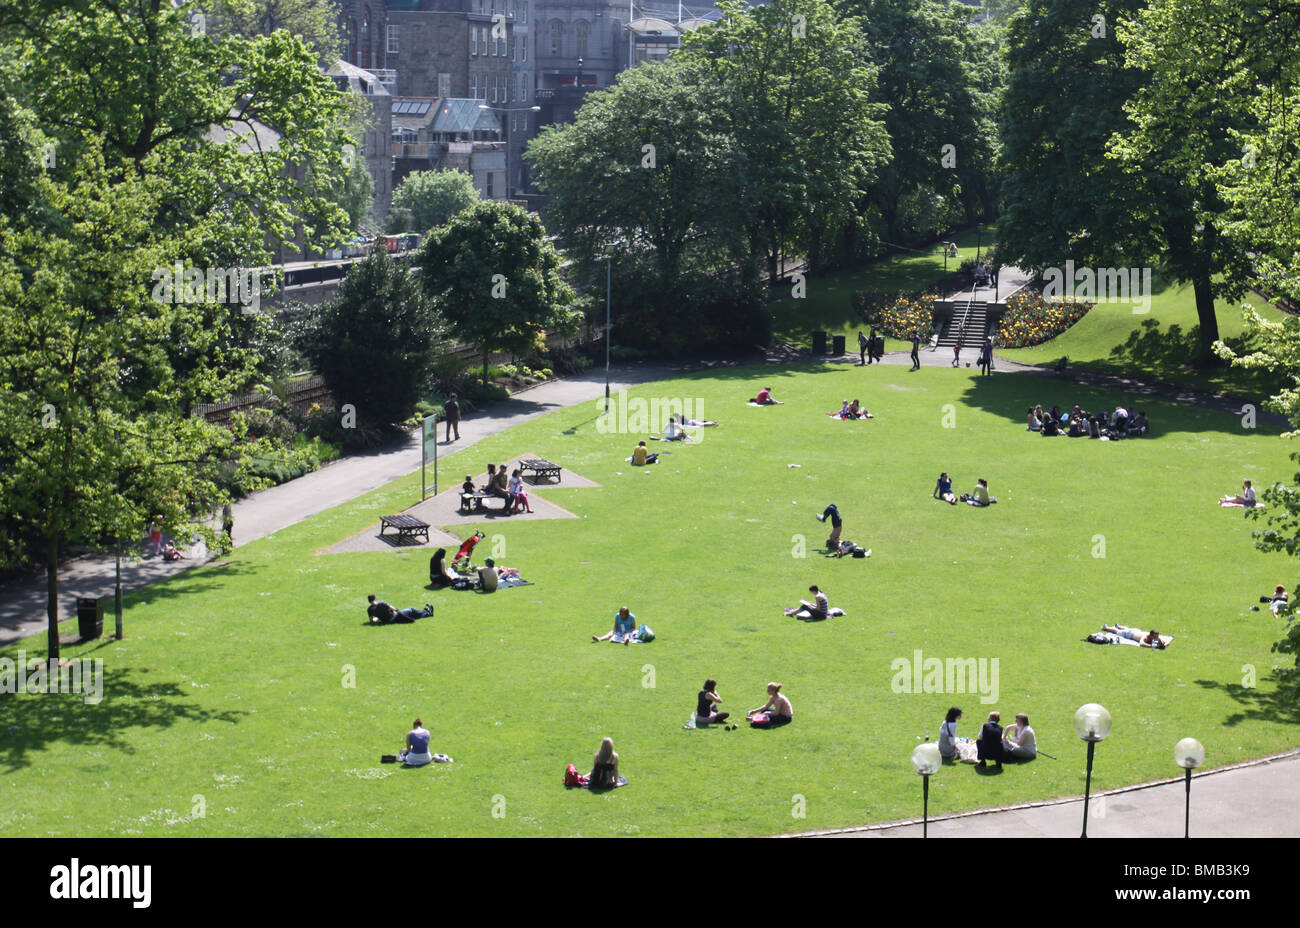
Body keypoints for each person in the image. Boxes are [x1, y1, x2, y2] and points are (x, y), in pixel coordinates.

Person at [366, 594, 433, 625]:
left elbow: (372, 621)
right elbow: (393, 608)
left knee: (411, 614)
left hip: (388, 621)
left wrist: (378, 618)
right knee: (411, 610)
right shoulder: (382, 604)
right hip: (395, 616)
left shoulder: (369, 610)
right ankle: (427, 612)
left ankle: (426, 612)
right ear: (375, 598)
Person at [1101, 624, 1166, 648]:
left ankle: (1119, 626)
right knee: (1117, 632)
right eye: (1154, 637)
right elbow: (1141, 643)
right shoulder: (1145, 637)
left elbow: (1164, 641)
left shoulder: (1155, 637)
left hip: (1136, 631)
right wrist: (1152, 646)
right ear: (1150, 635)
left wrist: (1163, 645)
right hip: (1129, 634)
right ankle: (1106, 627)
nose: (1156, 638)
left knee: (1127, 629)